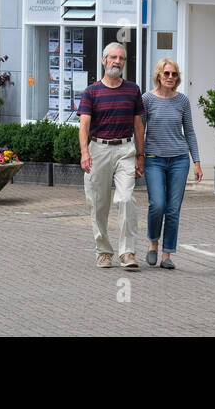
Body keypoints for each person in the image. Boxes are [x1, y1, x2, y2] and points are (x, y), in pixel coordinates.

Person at [78, 42, 145, 270]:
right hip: (99, 150)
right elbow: (84, 125)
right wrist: (85, 152)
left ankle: (127, 252)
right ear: (104, 60)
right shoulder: (91, 92)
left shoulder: (133, 90)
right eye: (113, 57)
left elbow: (139, 125)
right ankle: (104, 251)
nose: (117, 61)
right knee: (99, 204)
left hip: (125, 150)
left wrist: (140, 154)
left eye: (122, 58)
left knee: (126, 199)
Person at [143, 59, 202, 269]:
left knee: (173, 209)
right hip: (154, 160)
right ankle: (152, 245)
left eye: (174, 74)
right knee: (157, 204)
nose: (170, 77)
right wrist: (138, 157)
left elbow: (190, 132)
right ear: (159, 75)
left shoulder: (182, 101)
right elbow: (139, 130)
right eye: (166, 73)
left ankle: (167, 255)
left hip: (179, 159)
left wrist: (196, 161)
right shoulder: (147, 99)